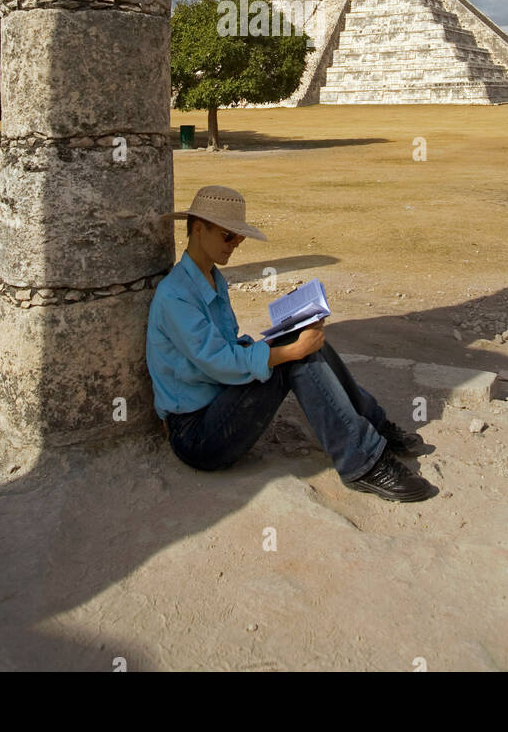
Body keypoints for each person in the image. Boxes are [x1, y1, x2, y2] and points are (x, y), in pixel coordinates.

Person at [145, 185, 439, 504]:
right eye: (229, 236)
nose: (235, 245)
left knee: (304, 343)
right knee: (297, 354)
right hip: (198, 435)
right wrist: (290, 350)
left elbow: (227, 347)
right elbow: (218, 361)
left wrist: (286, 338)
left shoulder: (213, 279)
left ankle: (374, 425)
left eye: (239, 238)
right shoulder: (175, 295)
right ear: (199, 230)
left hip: (219, 405)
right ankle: (364, 463)